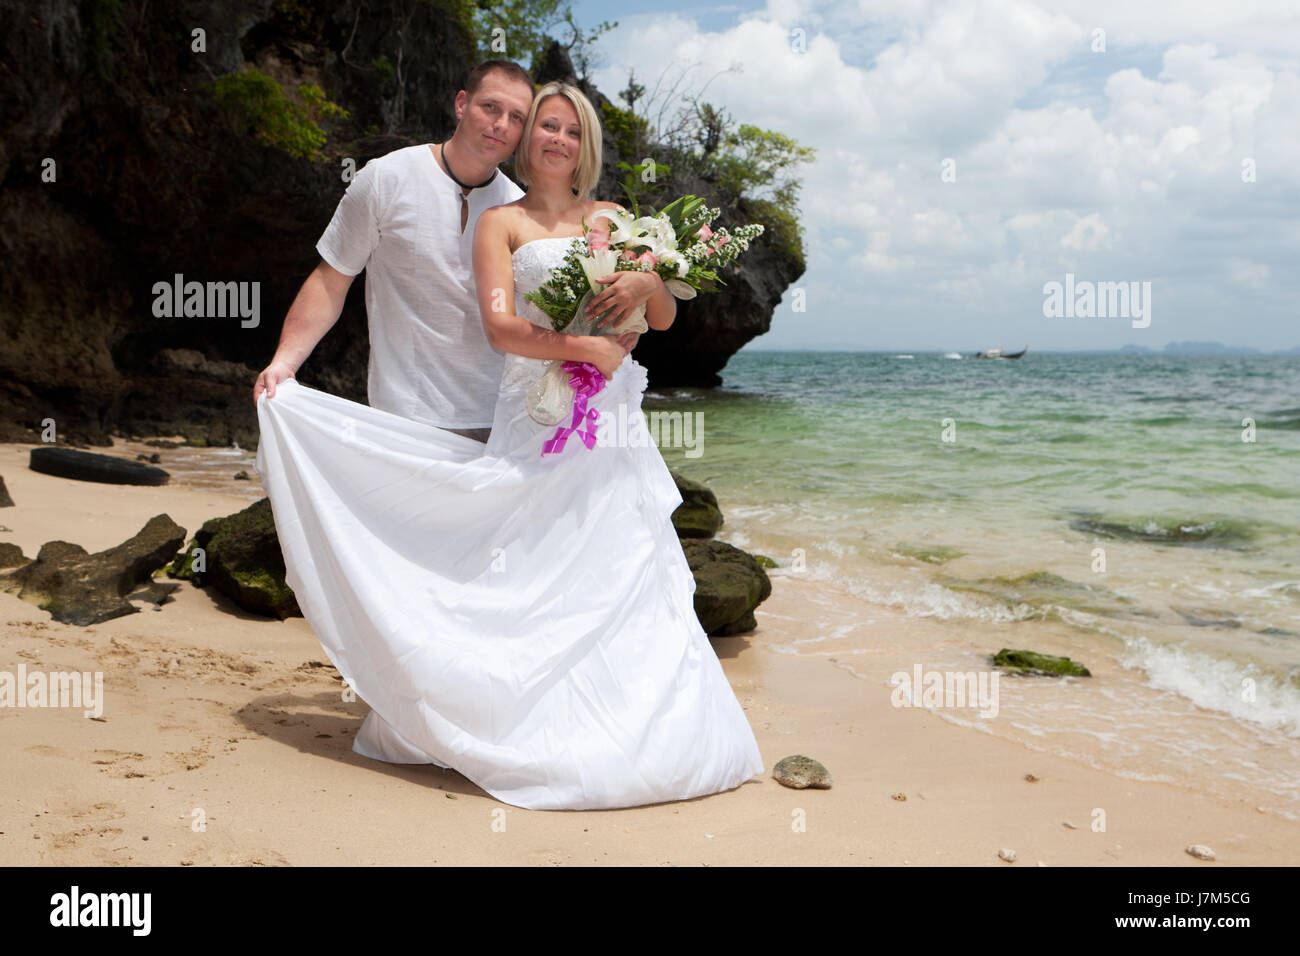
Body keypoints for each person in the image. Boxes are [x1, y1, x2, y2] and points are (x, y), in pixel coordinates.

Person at [254, 79, 765, 810]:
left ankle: (634, 724)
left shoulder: (618, 218)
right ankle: (469, 713)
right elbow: (496, 325)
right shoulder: (494, 218)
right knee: (517, 564)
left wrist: (648, 272)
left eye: (565, 128)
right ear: (481, 115)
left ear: (584, 143)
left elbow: (658, 321)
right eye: (541, 126)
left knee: (617, 559)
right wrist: (583, 345)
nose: (551, 138)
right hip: (528, 405)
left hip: (608, 418)